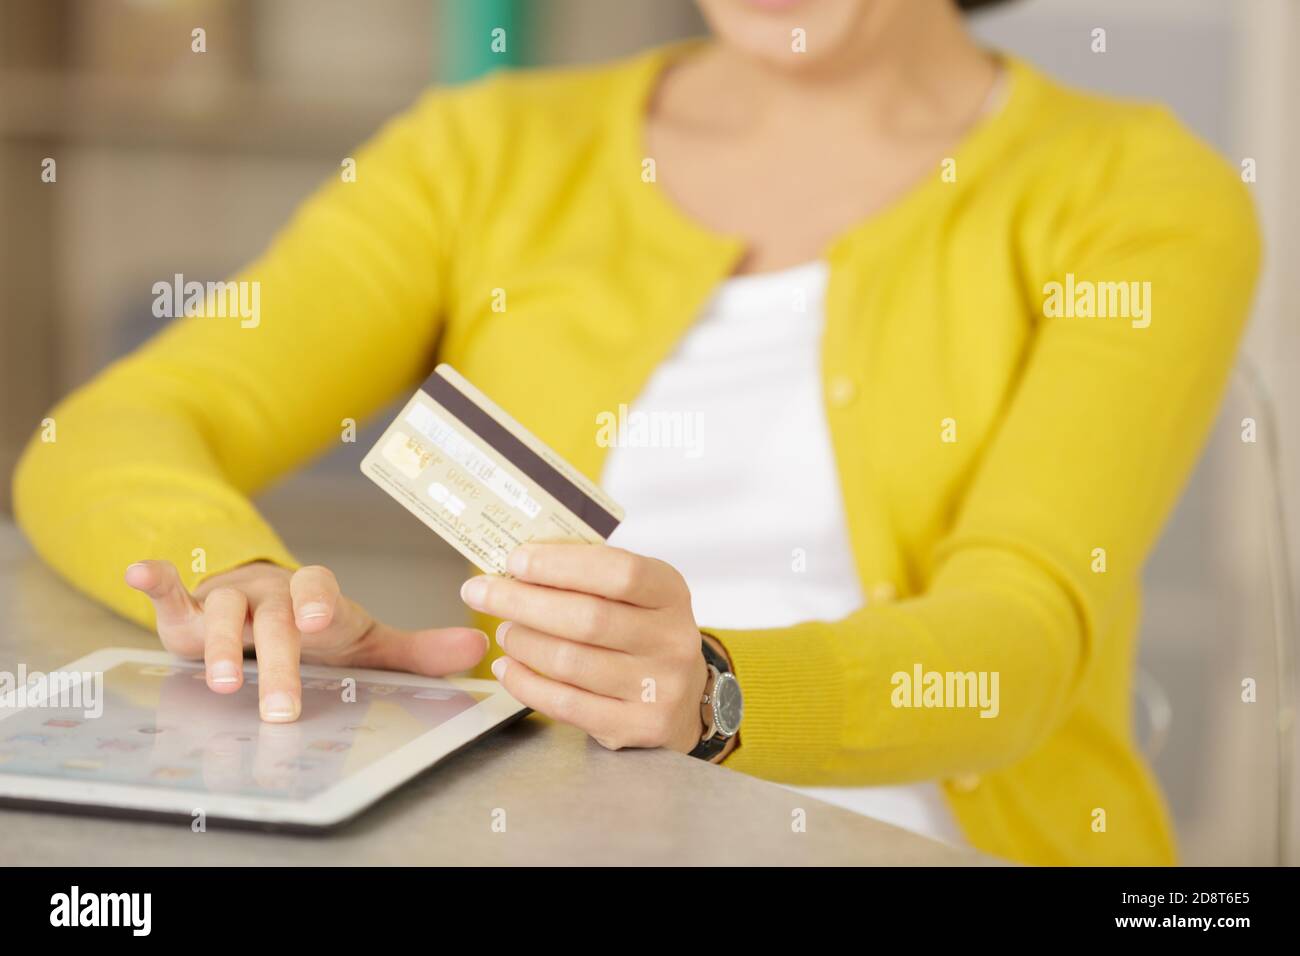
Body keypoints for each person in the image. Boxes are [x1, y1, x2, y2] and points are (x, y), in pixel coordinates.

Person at [13, 0, 1260, 865]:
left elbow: (1029, 633)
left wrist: (716, 691)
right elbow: (115, 429)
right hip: (553, 826)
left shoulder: (1135, 194)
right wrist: (242, 581)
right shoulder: (486, 152)